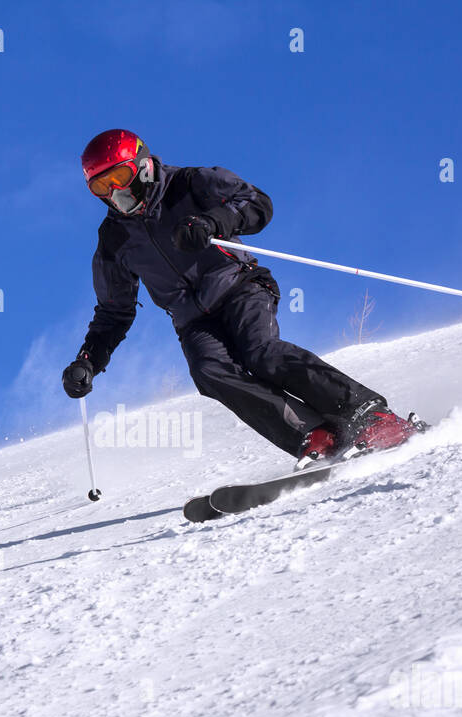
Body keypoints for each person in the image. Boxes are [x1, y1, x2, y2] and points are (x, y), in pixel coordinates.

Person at [62, 129, 422, 469]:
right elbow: (114, 311)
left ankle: (369, 415)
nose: (113, 192)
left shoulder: (189, 183)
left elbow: (256, 203)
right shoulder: (113, 239)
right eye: (100, 186)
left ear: (142, 166)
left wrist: (212, 222)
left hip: (238, 286)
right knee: (209, 372)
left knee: (260, 352)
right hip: (193, 321)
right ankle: (318, 435)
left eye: (119, 178)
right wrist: (88, 361)